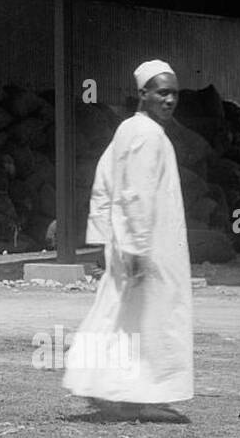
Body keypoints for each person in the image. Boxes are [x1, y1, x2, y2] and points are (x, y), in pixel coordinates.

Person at [62, 60, 192, 419]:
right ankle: (139, 396)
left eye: (174, 94)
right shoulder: (143, 134)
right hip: (145, 248)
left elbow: (104, 182)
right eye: (162, 92)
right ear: (143, 93)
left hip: (143, 245)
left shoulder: (131, 130)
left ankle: (112, 387)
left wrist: (108, 239)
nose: (169, 100)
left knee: (123, 317)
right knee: (146, 320)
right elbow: (132, 194)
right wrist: (134, 248)